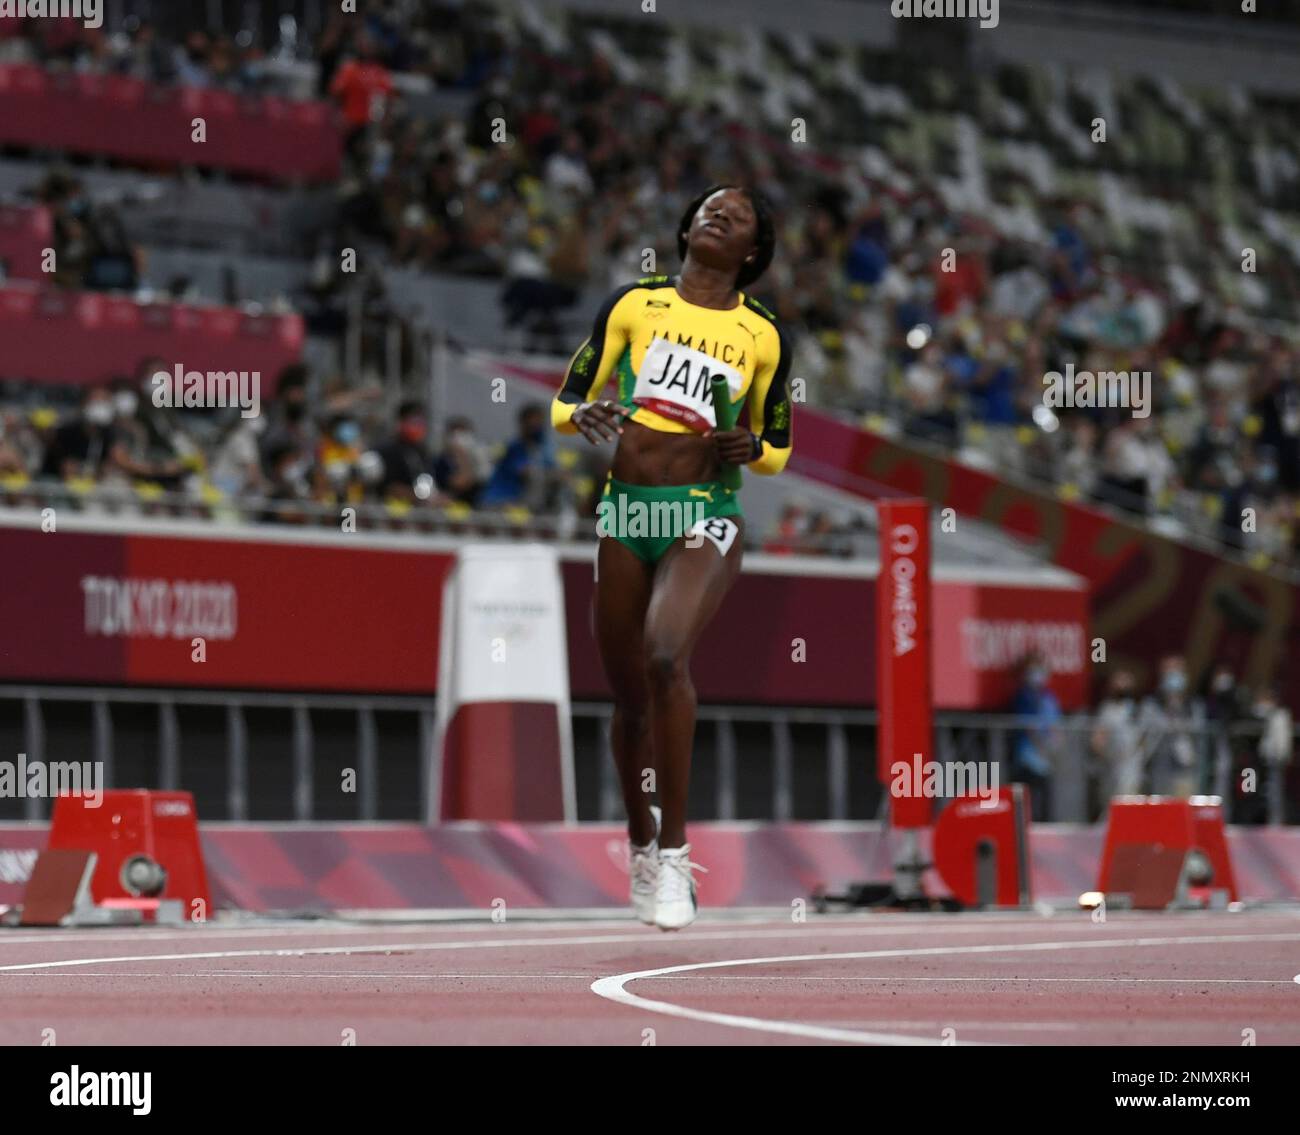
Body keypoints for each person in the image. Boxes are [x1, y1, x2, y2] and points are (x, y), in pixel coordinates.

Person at [552, 185, 791, 929]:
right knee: (627, 701)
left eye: (739, 216)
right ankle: (643, 841)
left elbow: (777, 447)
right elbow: (566, 401)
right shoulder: (632, 304)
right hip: (627, 511)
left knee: (663, 658)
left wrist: (752, 446)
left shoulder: (763, 334)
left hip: (704, 514)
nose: (720, 214)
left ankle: (680, 853)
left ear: (751, 251)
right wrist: (582, 413)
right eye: (711, 207)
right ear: (688, 227)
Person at [1009, 652, 1059, 821]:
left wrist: (1053, 747)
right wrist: (1040, 746)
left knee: (1046, 798)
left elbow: (1055, 725)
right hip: (1028, 757)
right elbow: (1028, 727)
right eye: (1033, 670)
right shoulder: (1023, 697)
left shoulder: (1049, 698)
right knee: (1027, 799)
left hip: (1047, 758)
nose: (1038, 674)